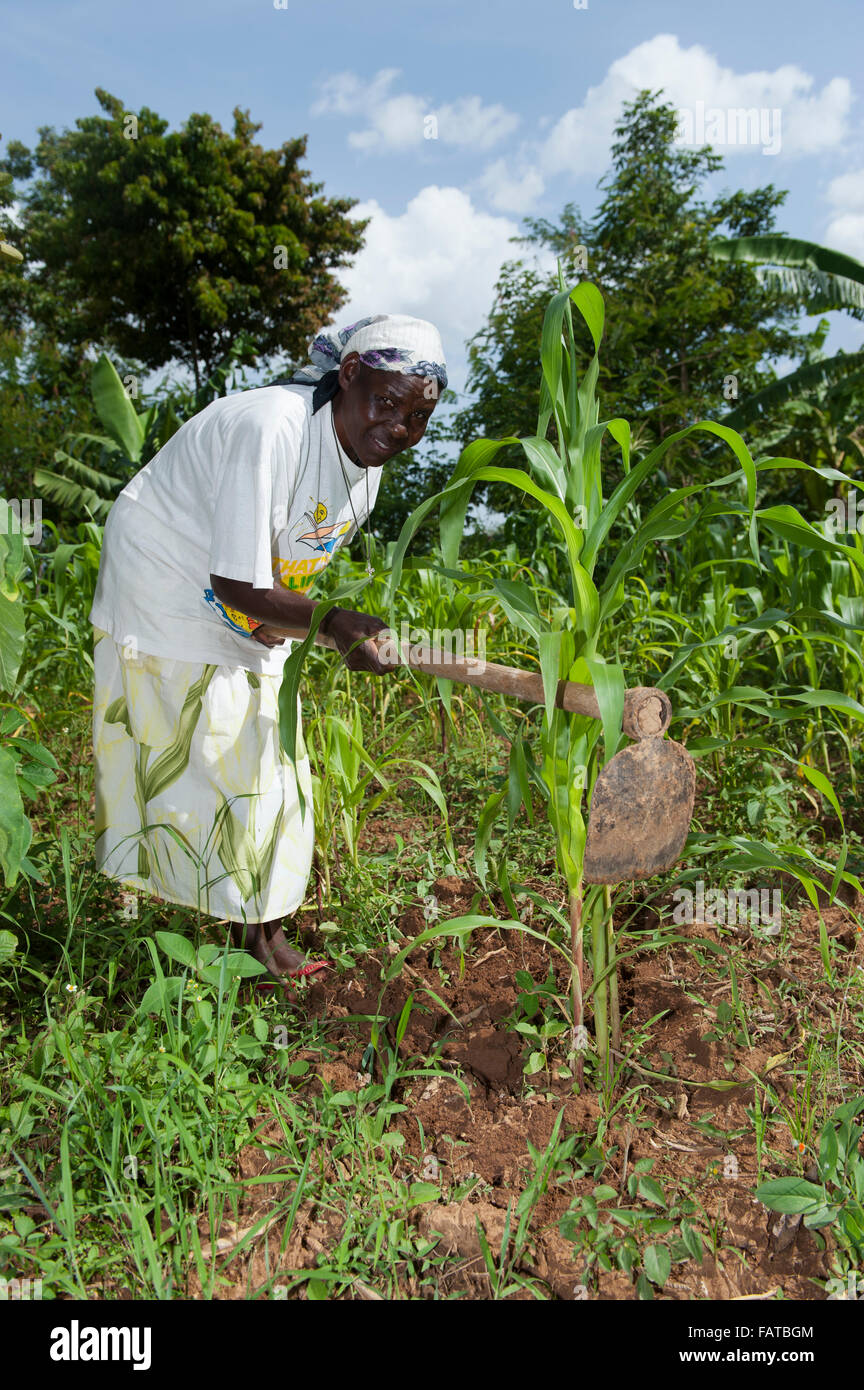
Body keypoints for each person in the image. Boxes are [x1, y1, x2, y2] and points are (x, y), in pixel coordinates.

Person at [89, 314, 447, 988]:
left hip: (245, 588)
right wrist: (334, 623)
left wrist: (308, 626)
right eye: (388, 402)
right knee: (219, 742)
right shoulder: (271, 426)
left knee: (273, 751)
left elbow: (281, 578)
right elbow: (234, 582)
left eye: (419, 416)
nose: (399, 428)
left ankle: (249, 924)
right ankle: (239, 934)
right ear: (349, 376)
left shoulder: (363, 476)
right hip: (165, 573)